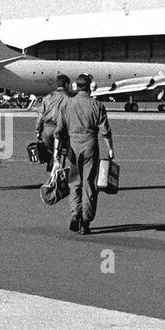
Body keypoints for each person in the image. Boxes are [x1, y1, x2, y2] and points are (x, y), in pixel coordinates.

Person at [55, 73, 115, 234]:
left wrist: (57, 153)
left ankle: (75, 213)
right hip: (90, 145)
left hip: (73, 147)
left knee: (74, 182)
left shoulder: (67, 104)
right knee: (89, 182)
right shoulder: (97, 105)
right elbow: (105, 131)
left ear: (76, 86)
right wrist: (110, 149)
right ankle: (86, 220)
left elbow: (59, 131)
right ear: (89, 87)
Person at [33, 74, 72, 171]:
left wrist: (38, 130)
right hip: (60, 129)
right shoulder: (68, 99)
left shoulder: (48, 97)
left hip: (47, 129)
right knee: (60, 154)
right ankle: (57, 176)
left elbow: (41, 115)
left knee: (51, 153)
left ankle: (52, 173)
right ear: (66, 85)